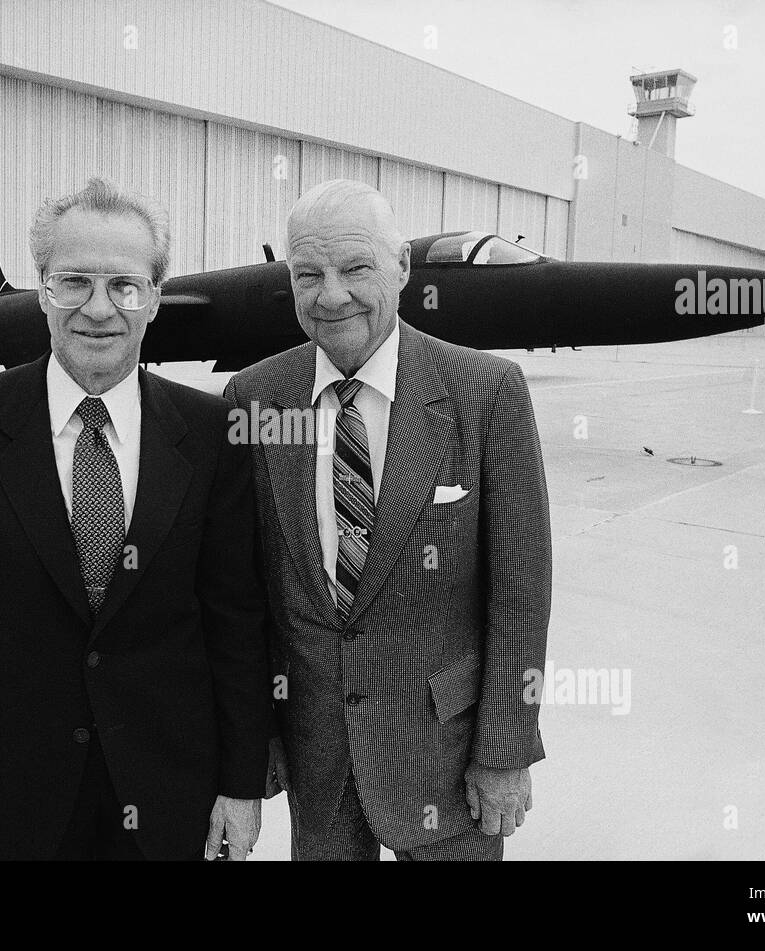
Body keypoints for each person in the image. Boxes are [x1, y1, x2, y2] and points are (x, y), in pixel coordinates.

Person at [0, 177, 271, 861]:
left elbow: (236, 623)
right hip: (6, 806)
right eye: (74, 283)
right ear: (42, 288)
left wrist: (240, 787)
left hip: (166, 800)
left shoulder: (213, 431)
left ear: (155, 297)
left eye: (125, 285)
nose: (99, 309)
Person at [225, 179, 552, 861]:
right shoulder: (255, 398)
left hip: (449, 756)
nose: (331, 294)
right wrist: (256, 739)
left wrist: (504, 752)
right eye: (307, 274)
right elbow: (243, 592)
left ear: (401, 265)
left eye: (356, 268)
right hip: (318, 759)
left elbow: (521, 594)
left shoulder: (486, 393)